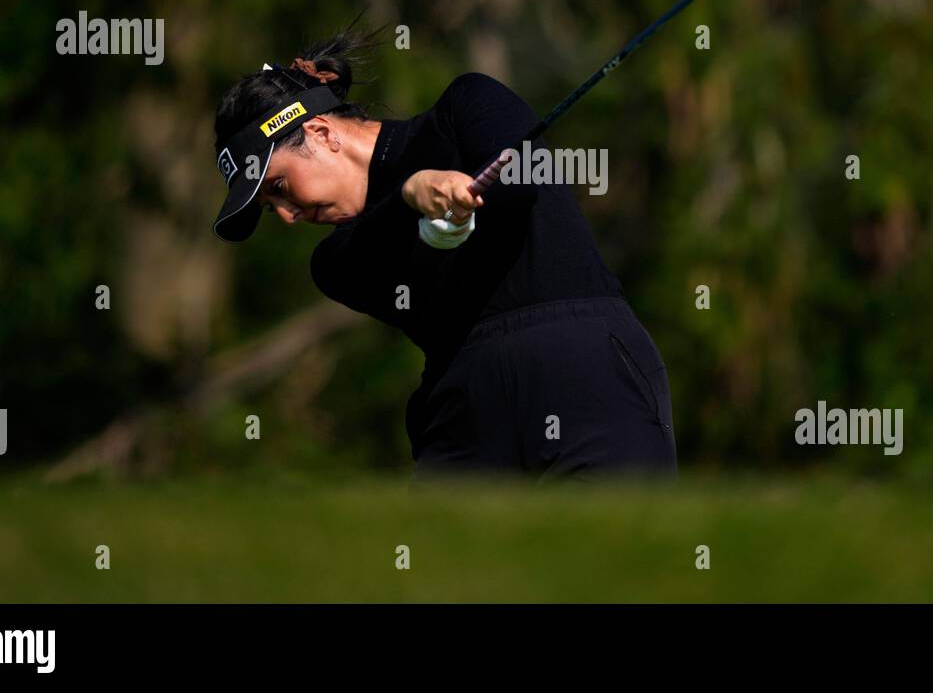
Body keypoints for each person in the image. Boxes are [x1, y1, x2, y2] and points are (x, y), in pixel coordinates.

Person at [212, 29, 677, 480]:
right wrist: (412, 198)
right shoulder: (336, 262)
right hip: (468, 408)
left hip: (582, 370)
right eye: (273, 210)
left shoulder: (466, 104)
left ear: (319, 132)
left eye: (279, 187)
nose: (288, 216)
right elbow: (381, 247)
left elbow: (519, 191)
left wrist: (453, 200)